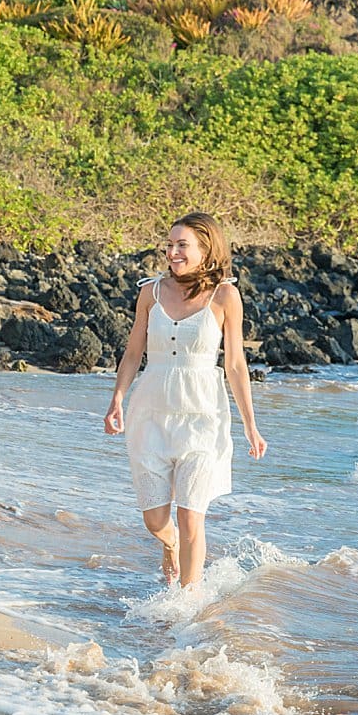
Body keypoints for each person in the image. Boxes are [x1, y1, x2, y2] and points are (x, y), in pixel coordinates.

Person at [103, 212, 266, 587]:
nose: (172, 252)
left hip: (203, 418)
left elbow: (236, 365)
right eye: (170, 245)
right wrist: (117, 399)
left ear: (206, 249)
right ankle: (169, 544)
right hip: (151, 414)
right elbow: (132, 353)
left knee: (193, 515)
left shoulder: (226, 295)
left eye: (182, 245)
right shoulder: (151, 292)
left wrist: (250, 426)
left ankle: (187, 605)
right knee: (156, 520)